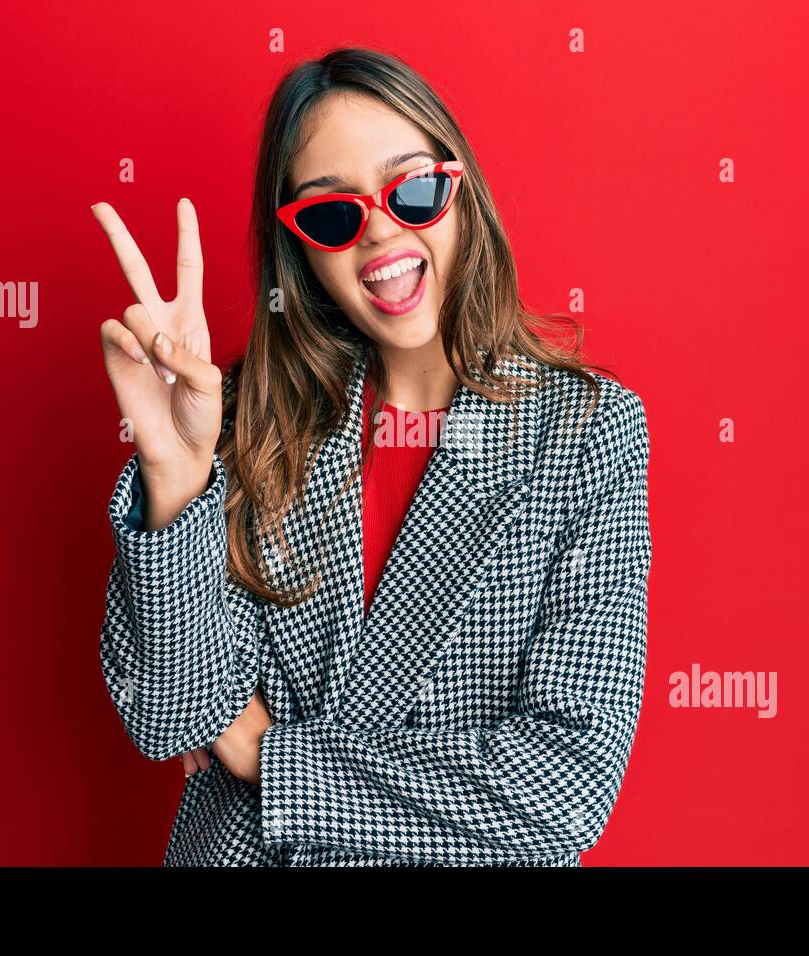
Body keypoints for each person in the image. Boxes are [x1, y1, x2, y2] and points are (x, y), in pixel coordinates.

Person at [92, 47, 652, 867]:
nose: (384, 231)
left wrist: (266, 756)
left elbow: (559, 793)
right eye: (333, 215)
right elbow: (168, 712)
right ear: (303, 254)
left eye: (413, 188)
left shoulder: (583, 434)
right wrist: (177, 475)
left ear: (461, 194)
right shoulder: (238, 416)